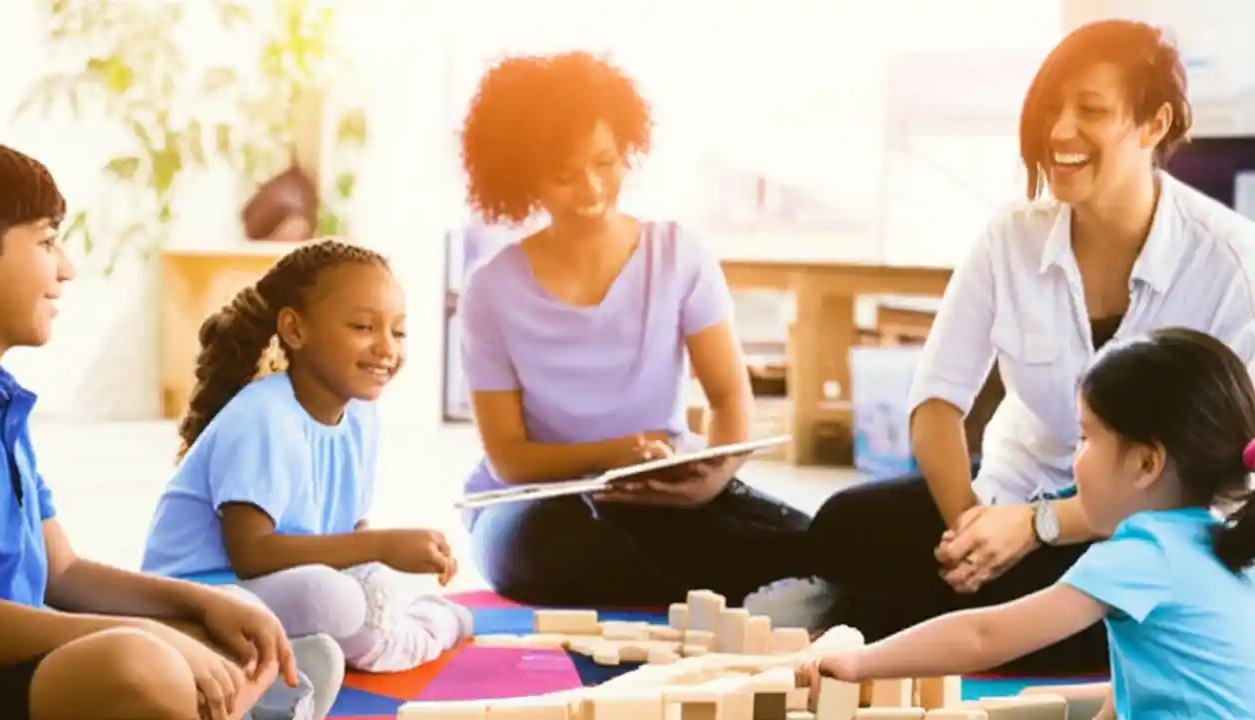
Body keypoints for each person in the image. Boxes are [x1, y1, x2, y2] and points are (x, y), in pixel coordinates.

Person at [790, 18, 1255, 673]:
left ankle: (892, 629)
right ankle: (940, 622)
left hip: (1140, 533)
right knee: (845, 526)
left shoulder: (1231, 264)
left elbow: (1221, 475)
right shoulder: (1011, 236)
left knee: (1095, 606)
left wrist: (1040, 527)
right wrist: (971, 534)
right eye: (1051, 109)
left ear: (1155, 124)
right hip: (1004, 493)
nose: (1060, 131)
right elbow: (936, 402)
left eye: (1090, 110)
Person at [0, 138, 341, 720]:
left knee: (222, 629)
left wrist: (198, 603)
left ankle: (236, 700)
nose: (66, 268)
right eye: (46, 242)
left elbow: (62, 572)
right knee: (137, 662)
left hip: (34, 659)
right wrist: (143, 634)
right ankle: (241, 706)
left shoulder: (1, 403)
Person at [456, 50, 812, 609]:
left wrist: (712, 481)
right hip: (535, 503)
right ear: (525, 179)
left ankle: (683, 582)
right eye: (564, 176)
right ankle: (705, 588)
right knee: (542, 547)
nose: (592, 191)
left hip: (661, 491)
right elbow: (510, 458)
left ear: (627, 147)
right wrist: (618, 452)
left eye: (605, 162)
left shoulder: (678, 255)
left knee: (815, 539)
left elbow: (728, 398)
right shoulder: (490, 290)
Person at [798, 327, 1255, 719]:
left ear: (1145, 464)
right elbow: (1130, 695)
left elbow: (984, 637)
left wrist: (859, 662)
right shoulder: (1218, 541)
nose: (1076, 459)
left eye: (1086, 437)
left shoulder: (1143, 554)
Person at [141, 239, 473, 674]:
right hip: (202, 600)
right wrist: (383, 546)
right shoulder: (263, 415)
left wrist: (384, 558)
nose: (386, 348)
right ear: (295, 330)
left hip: (272, 593)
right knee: (331, 598)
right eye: (363, 327)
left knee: (366, 588)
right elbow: (251, 554)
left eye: (398, 332)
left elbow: (348, 529)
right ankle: (428, 628)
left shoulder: (361, 414)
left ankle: (318, 657)